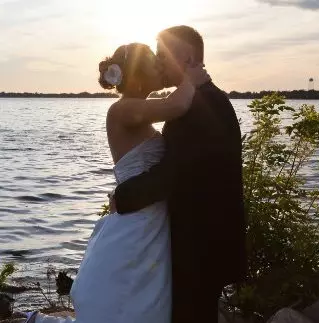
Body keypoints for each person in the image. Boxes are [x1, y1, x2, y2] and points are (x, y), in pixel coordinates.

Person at [20, 43, 210, 323]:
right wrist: (190, 79)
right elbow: (177, 104)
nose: (160, 66)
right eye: (154, 64)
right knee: (128, 297)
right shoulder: (121, 111)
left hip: (152, 217)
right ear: (137, 76)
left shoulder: (140, 109)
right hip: (137, 218)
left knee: (144, 295)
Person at [111, 26, 247, 323]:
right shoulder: (198, 99)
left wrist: (122, 197)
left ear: (185, 58)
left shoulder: (200, 103)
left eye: (162, 54)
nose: (158, 62)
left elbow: (173, 175)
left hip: (201, 245)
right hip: (200, 241)